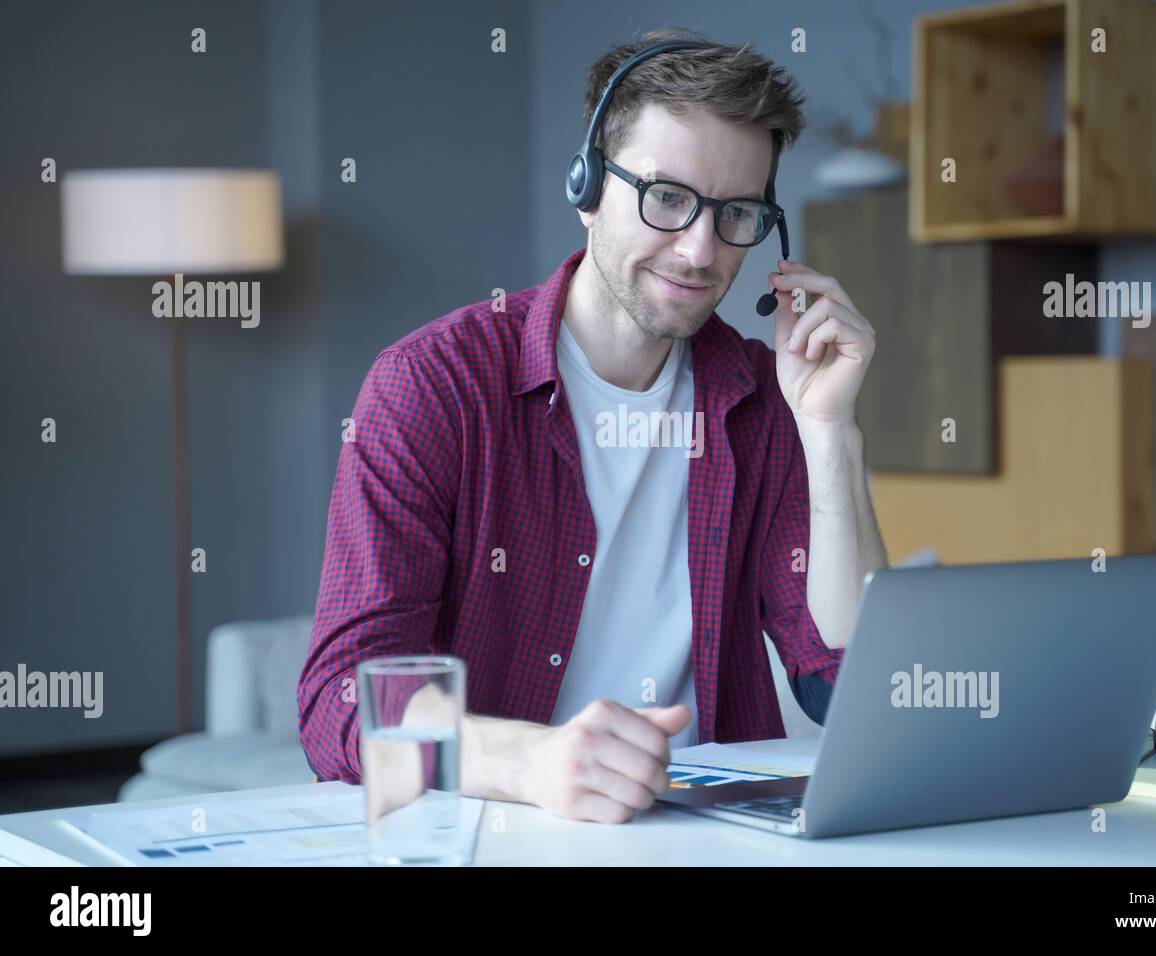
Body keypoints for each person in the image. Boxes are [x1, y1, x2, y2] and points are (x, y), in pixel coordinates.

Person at [298, 28, 888, 824]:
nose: (700, 248)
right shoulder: (432, 387)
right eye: (667, 197)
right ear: (586, 186)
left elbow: (847, 683)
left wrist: (829, 433)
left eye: (737, 211)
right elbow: (341, 702)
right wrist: (535, 761)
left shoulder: (763, 397)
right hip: (497, 828)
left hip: (709, 838)